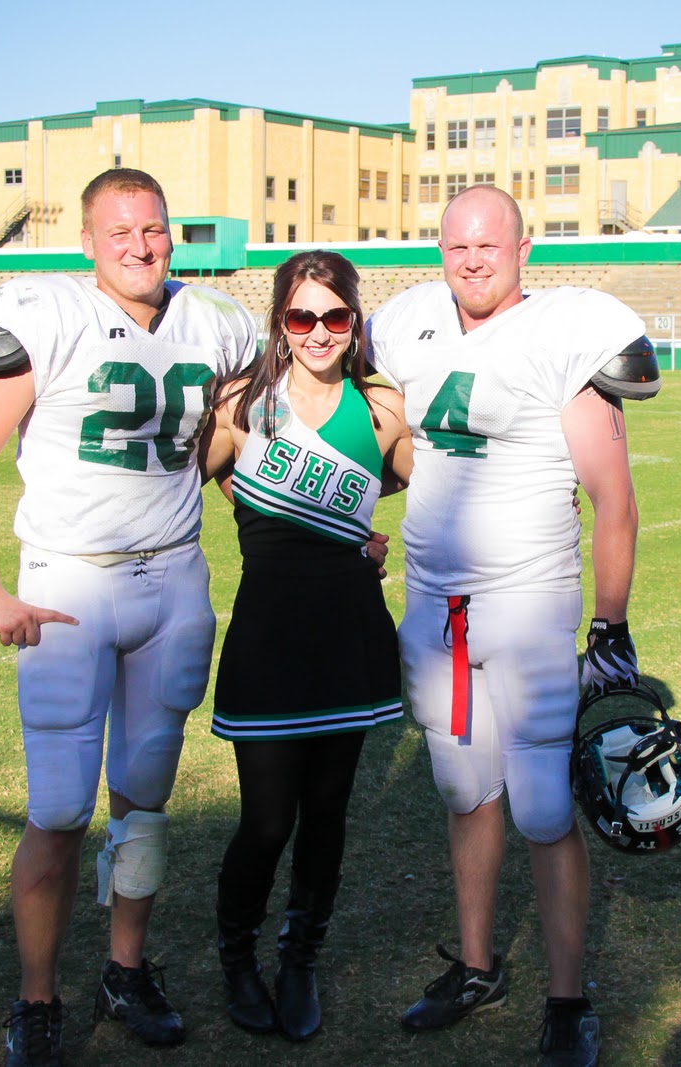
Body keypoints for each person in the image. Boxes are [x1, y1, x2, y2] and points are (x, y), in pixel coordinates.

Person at [0, 167, 259, 1067]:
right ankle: (38, 998)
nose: (140, 246)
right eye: (120, 232)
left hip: (174, 581)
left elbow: (232, 451)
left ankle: (126, 968)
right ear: (87, 242)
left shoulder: (216, 322)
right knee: (60, 808)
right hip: (70, 586)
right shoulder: (52, 316)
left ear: (171, 233)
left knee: (144, 799)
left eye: (153, 229)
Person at [367, 185, 659, 1067]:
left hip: (528, 607)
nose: (472, 260)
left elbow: (615, 500)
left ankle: (568, 998)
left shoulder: (564, 332)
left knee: (540, 804)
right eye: (457, 245)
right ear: (440, 251)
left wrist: (609, 624)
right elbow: (390, 446)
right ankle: (477, 965)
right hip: (437, 611)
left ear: (523, 249)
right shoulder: (410, 325)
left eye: (489, 245)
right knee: (465, 792)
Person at [197, 250, 412, 1042]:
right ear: (280, 322)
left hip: (347, 635)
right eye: (302, 316)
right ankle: (237, 960)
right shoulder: (242, 401)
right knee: (265, 821)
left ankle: (299, 959)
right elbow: (177, 481)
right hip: (268, 636)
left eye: (334, 316)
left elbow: (438, 484)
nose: (319, 331)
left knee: (326, 813)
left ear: (354, 322)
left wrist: (361, 537)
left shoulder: (382, 407)